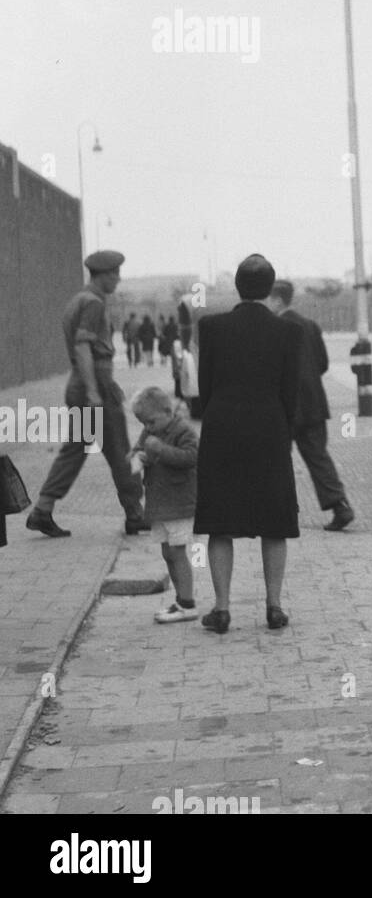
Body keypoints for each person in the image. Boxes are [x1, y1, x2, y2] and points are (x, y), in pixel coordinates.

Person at [193, 253, 303, 633]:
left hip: (222, 427)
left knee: (219, 521)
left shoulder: (211, 327)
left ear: (237, 286)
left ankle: (221, 609)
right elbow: (291, 392)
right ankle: (274, 607)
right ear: (270, 287)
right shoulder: (289, 332)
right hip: (270, 428)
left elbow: (204, 388)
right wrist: (283, 431)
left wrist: (216, 416)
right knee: (275, 521)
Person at [26, 250, 147, 539]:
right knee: (119, 449)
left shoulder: (79, 300)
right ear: (103, 275)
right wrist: (96, 390)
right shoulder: (93, 303)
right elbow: (83, 347)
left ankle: (42, 510)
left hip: (82, 385)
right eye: (114, 274)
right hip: (92, 390)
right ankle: (135, 514)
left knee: (76, 449)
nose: (118, 279)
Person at [268, 280, 355, 530]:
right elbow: (322, 363)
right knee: (318, 458)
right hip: (314, 404)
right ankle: (341, 506)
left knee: (277, 461)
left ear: (277, 300)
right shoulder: (310, 326)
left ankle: (278, 512)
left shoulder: (274, 327)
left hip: (284, 407)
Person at [128, 386, 199, 623]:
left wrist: (161, 451)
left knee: (178, 552)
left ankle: (188, 603)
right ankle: (180, 599)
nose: (148, 428)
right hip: (159, 504)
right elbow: (137, 449)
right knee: (167, 553)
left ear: (167, 412)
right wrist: (138, 457)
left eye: (151, 421)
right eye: (143, 423)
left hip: (179, 503)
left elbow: (191, 458)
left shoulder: (183, 431)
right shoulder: (149, 432)